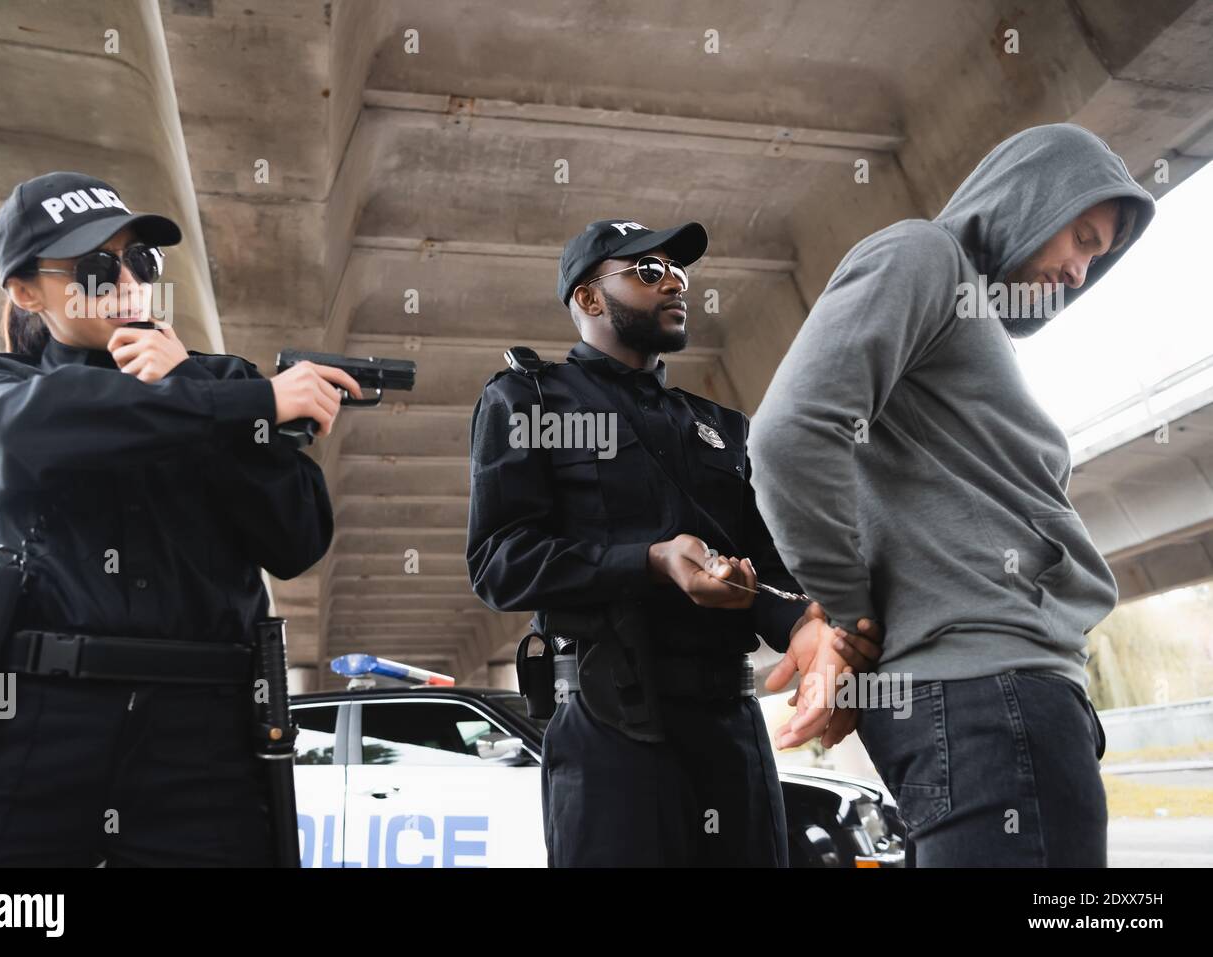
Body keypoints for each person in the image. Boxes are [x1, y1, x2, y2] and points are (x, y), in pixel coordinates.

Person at [0, 171, 360, 866]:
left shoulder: (225, 383)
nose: (124, 279)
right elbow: (27, 434)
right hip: (33, 723)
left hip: (201, 743)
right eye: (94, 265)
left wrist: (192, 383)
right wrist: (237, 406)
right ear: (26, 290)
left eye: (140, 261)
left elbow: (298, 539)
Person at [747, 124, 1156, 866]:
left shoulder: (971, 328)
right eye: (1080, 236)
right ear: (1032, 194)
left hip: (996, 706)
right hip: (992, 704)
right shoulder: (925, 256)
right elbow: (789, 436)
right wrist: (847, 619)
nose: (1078, 269)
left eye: (1097, 257)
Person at [465, 218, 882, 867]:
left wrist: (802, 622)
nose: (675, 285)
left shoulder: (721, 426)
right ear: (589, 298)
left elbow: (771, 567)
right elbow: (499, 561)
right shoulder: (530, 401)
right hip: (613, 731)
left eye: (680, 273)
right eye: (649, 272)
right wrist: (651, 562)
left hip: (731, 729)